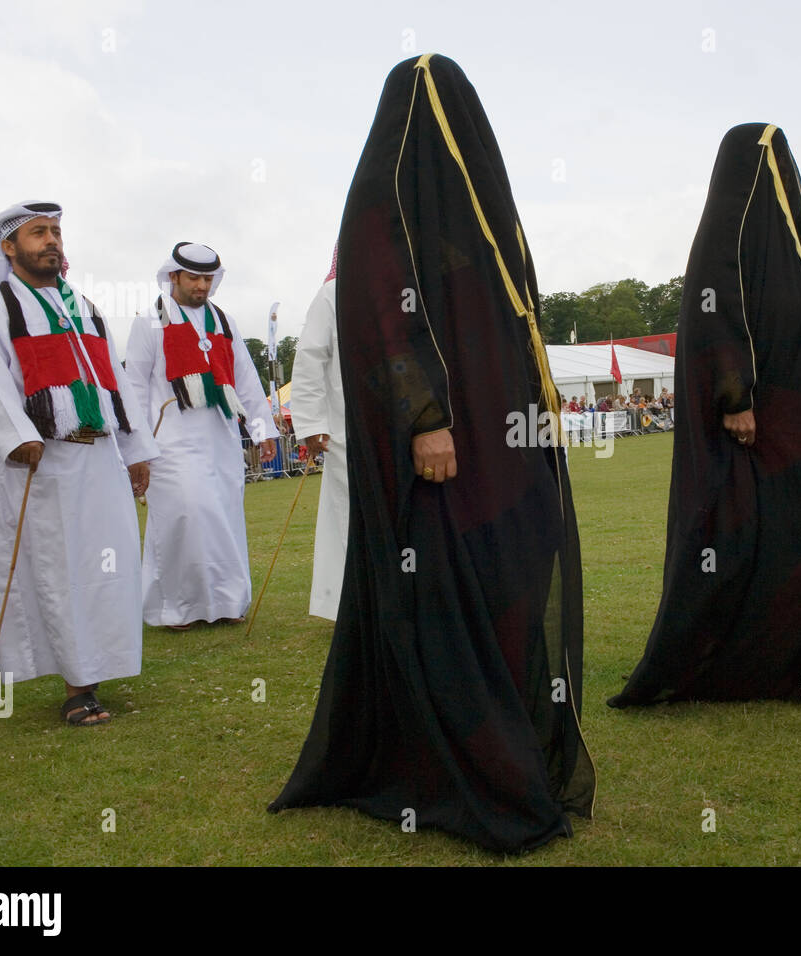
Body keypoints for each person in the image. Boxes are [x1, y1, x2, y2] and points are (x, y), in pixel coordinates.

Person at [269, 54, 595, 853]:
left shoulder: (475, 216)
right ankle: (463, 759)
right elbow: (388, 323)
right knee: (442, 588)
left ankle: (508, 730)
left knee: (516, 566)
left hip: (503, 440)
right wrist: (425, 419)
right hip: (443, 444)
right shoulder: (383, 208)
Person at [608, 125, 801, 708]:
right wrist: (736, 397)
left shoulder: (796, 250)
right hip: (760, 422)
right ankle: (761, 661)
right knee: (777, 535)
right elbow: (718, 313)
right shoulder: (727, 241)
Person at [0, 201, 159, 725]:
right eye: (38, 233)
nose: (51, 241)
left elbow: (113, 381)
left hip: (99, 463)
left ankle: (99, 665)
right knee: (58, 571)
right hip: (42, 467)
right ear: (9, 248)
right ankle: (77, 687)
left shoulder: (84, 309)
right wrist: (20, 438)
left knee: (106, 567)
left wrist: (135, 451)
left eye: (56, 232)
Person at [122, 243, 276, 630]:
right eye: (194, 278)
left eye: (208, 278)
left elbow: (246, 380)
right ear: (173, 276)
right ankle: (177, 608)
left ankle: (226, 602)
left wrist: (262, 429)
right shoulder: (148, 322)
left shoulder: (224, 322)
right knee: (184, 515)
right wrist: (136, 447)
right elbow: (136, 387)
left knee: (223, 517)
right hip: (169, 439)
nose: (202, 286)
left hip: (220, 436)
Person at [291, 242, 350, 621]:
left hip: (402, 431)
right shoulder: (331, 296)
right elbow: (310, 358)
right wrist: (312, 424)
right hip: (346, 431)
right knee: (346, 518)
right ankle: (345, 606)